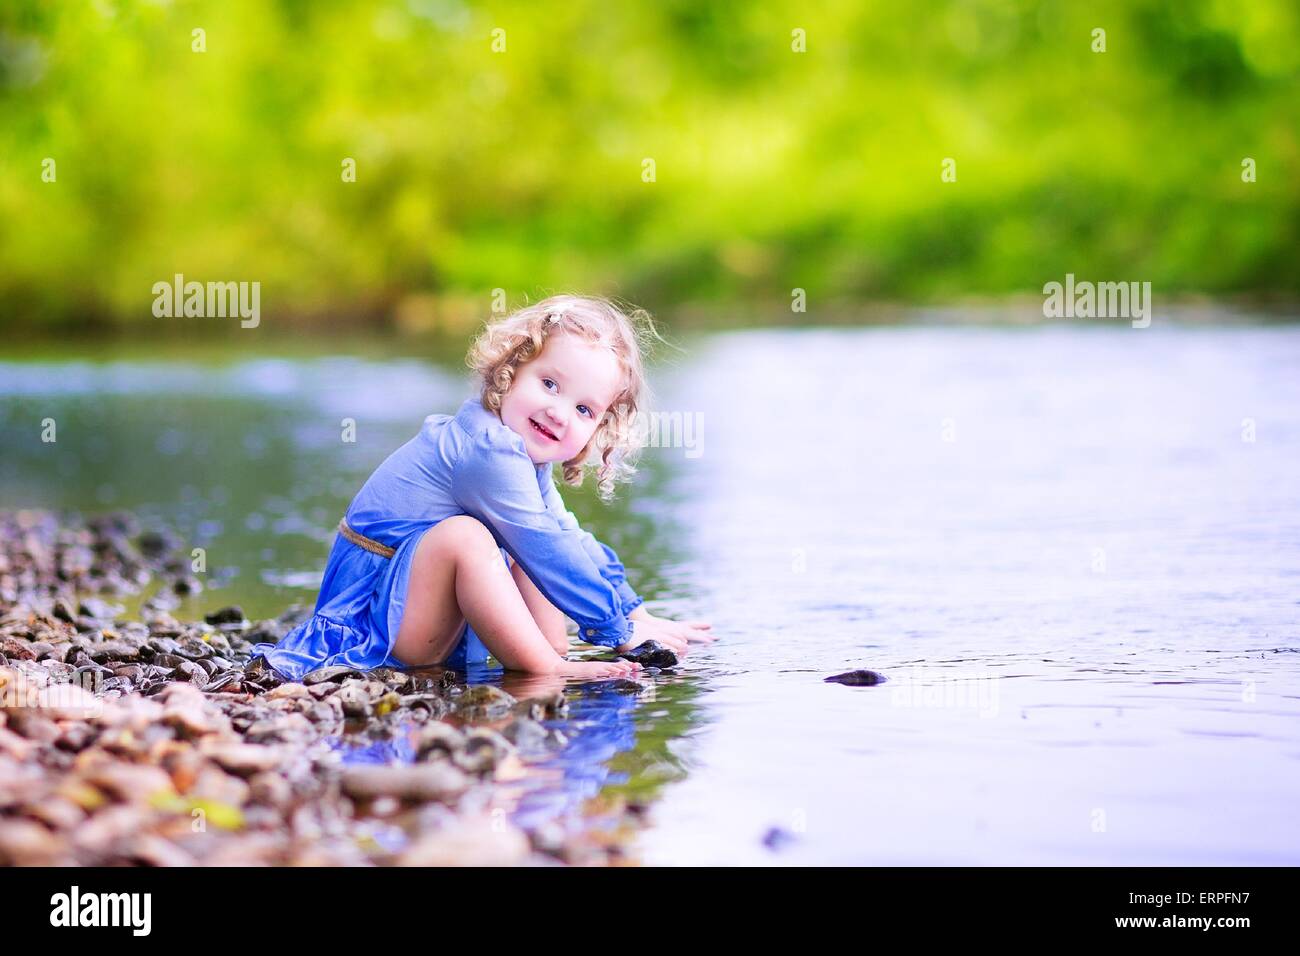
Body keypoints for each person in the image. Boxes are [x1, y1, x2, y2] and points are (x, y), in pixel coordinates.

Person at [248, 293, 713, 682]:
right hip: (371, 617)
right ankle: (546, 667)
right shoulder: (485, 450)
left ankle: (553, 656)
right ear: (510, 370)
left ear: (599, 429)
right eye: (549, 384)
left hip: (413, 608)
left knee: (538, 537)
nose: (559, 412)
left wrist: (634, 612)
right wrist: (616, 629)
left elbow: (568, 538)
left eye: (585, 410)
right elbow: (545, 545)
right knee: (478, 537)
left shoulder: (520, 458)